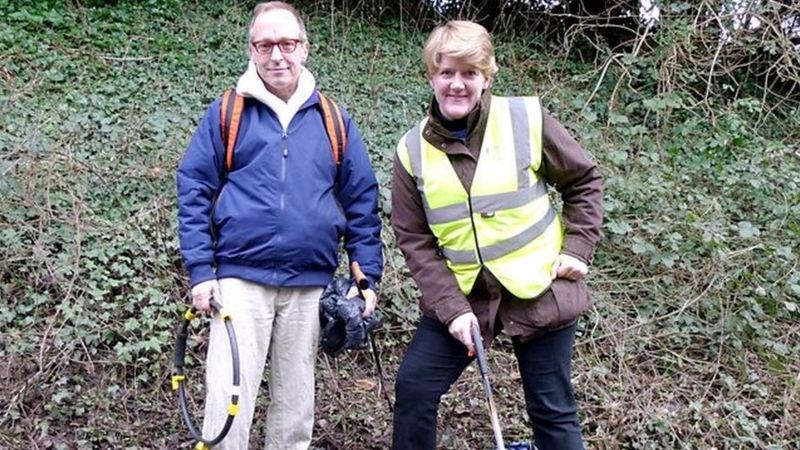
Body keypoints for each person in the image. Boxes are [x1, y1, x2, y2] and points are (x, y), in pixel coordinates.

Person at [176, 2, 382, 449]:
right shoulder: (227, 112)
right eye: (265, 44)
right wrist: (201, 271)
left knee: (295, 410)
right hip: (238, 279)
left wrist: (365, 275)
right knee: (227, 403)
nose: (277, 55)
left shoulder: (333, 120)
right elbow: (194, 189)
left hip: (309, 283)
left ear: (304, 48)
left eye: (287, 43)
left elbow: (361, 200)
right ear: (251, 50)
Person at [390, 20, 603, 450]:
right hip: (464, 297)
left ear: (487, 77)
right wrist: (451, 310)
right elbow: (414, 239)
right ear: (431, 76)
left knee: (552, 411)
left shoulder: (526, 118)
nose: (456, 84)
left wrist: (578, 247)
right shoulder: (411, 151)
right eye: (446, 72)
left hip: (541, 287)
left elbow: (584, 180)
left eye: (469, 73)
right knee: (414, 389)